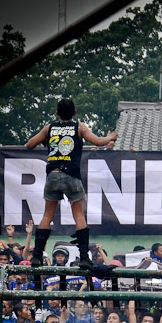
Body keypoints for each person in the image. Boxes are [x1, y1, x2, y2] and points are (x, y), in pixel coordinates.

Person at [26, 98, 118, 269]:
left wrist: (46, 140)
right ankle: (83, 257)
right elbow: (98, 141)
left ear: (57, 113)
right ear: (75, 113)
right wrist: (110, 137)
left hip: (53, 174)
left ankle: (37, 256)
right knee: (79, 216)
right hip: (71, 175)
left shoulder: (50, 128)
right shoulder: (79, 127)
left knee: (47, 216)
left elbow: (29, 144)